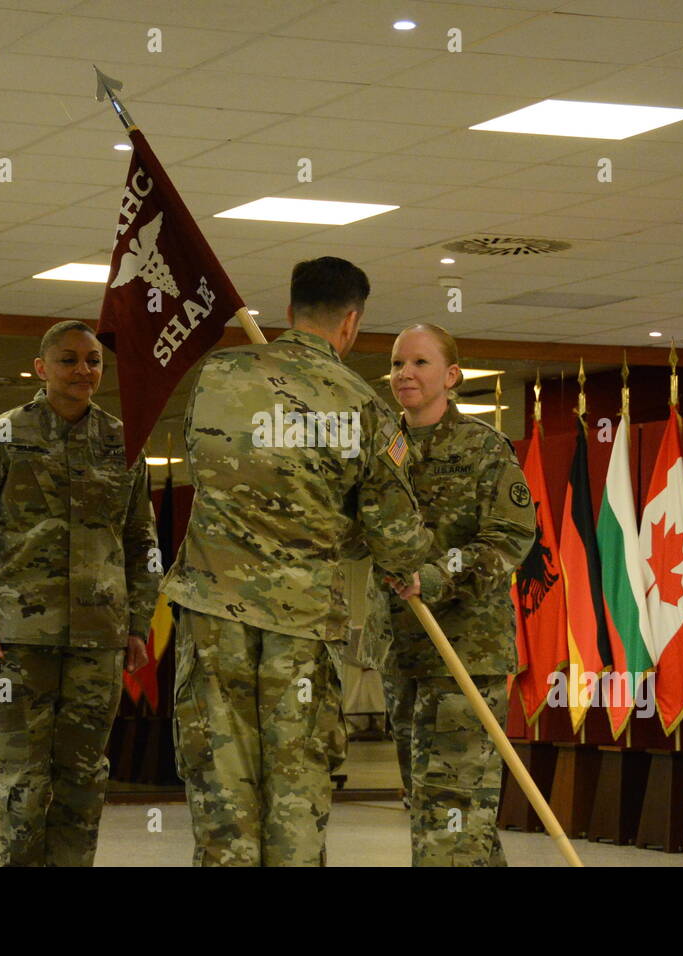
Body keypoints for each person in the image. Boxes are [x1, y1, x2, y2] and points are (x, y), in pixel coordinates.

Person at [161, 256, 433, 866]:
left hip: (212, 616)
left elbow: (202, 468)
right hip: (303, 625)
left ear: (289, 311)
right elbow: (397, 541)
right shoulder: (364, 409)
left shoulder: (219, 375)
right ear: (351, 323)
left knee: (220, 784)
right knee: (295, 789)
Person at [0, 321, 158, 867]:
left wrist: (137, 624)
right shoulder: (2, 436)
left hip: (98, 641)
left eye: (94, 361)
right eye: (69, 360)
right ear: (41, 368)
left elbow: (141, 542)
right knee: (23, 780)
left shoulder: (123, 442)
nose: (84, 371)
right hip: (17, 641)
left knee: (83, 778)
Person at [381, 323, 536, 866]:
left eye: (420, 363)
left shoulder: (484, 448)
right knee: (429, 803)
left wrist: (439, 574)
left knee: (456, 805)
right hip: (403, 654)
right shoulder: (382, 453)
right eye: (398, 363)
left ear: (451, 377)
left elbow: (510, 538)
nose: (405, 374)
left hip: (467, 652)